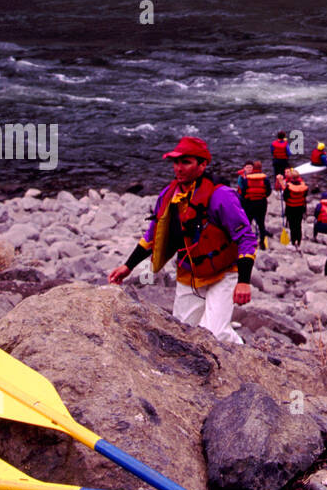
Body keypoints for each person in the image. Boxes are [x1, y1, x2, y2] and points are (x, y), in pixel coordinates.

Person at [108, 136, 256, 345]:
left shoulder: (222, 196)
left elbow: (246, 237)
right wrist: (128, 266)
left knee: (215, 334)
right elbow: (152, 236)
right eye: (175, 162)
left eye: (186, 162)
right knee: (181, 333)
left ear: (203, 165)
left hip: (224, 273)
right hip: (190, 273)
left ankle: (243, 354)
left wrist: (244, 281)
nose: (178, 168)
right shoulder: (168, 196)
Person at [236, 160, 272, 250]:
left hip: (250, 203)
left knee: (248, 222)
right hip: (262, 203)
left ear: (253, 168)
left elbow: (244, 192)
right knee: (261, 223)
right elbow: (269, 191)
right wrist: (263, 196)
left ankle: (247, 241)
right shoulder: (265, 178)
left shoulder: (246, 179)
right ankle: (262, 242)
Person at [280, 168, 308, 246]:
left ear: (291, 177)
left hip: (290, 208)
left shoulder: (288, 187)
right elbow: (305, 195)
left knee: (292, 225)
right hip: (300, 208)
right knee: (298, 225)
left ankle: (293, 241)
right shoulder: (303, 186)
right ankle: (298, 241)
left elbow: (285, 197)